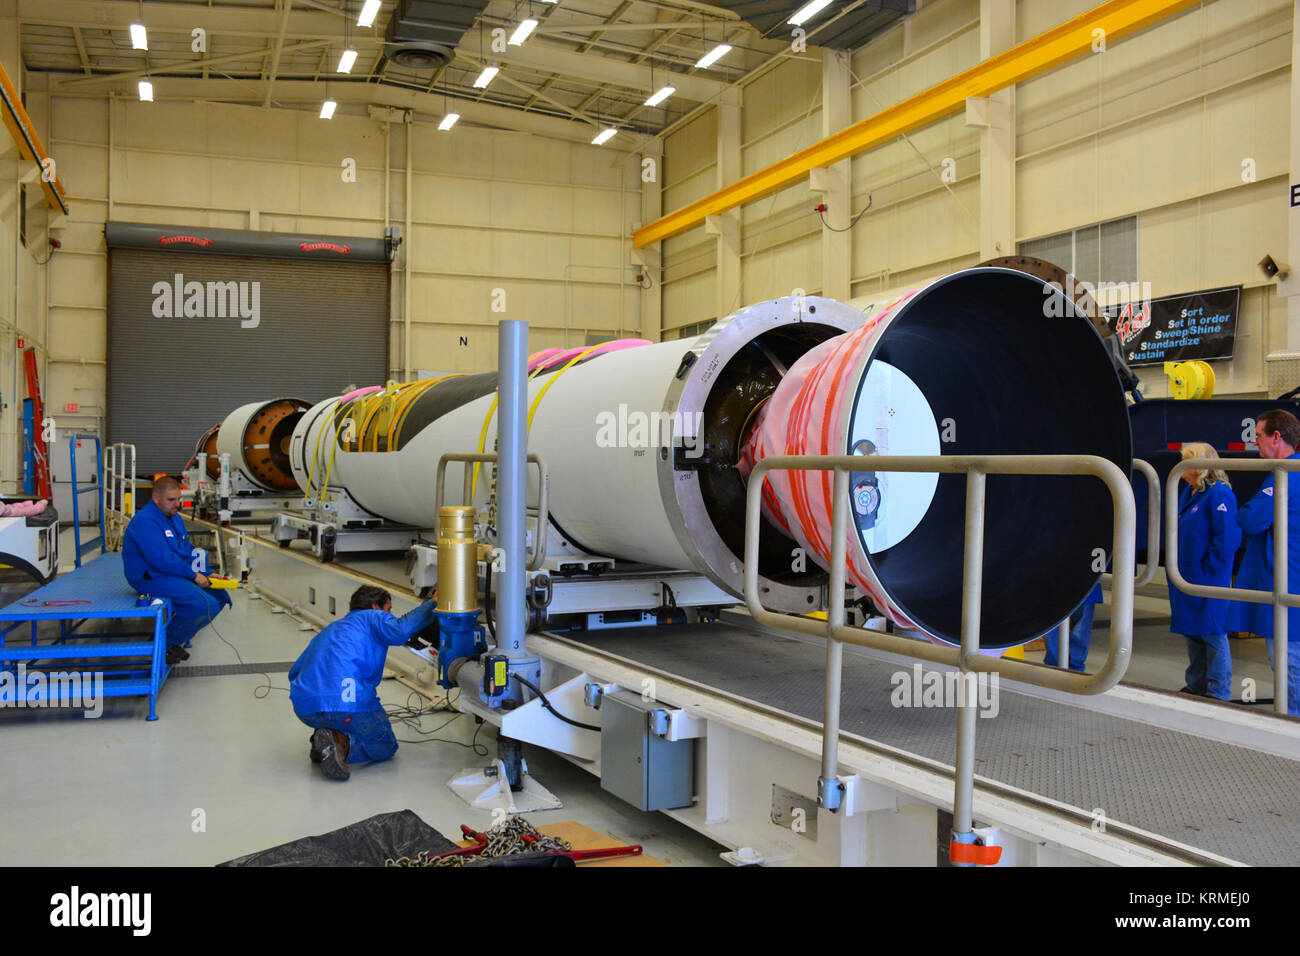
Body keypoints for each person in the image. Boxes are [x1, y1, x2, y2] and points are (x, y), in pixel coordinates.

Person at [289, 585, 437, 781]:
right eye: (389, 610)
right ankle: (340, 743)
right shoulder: (372, 617)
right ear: (376, 607)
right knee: (385, 744)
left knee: (334, 713)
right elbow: (400, 630)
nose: (389, 615)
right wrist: (433, 603)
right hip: (346, 705)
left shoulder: (332, 629)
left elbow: (295, 671)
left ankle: (323, 739)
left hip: (305, 708)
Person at [1228, 410, 1300, 715]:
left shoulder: (1286, 475)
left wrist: (1243, 509)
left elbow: (1253, 520)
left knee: (1290, 663)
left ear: (1277, 437)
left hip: (1287, 583)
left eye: (1259, 435)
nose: (1254, 441)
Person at [122, 475, 231, 667]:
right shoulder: (145, 522)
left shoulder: (174, 518)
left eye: (178, 499)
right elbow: (161, 559)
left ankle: (173, 640)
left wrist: (204, 572)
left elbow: (187, 549)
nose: (177, 504)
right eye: (171, 500)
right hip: (149, 577)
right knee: (205, 604)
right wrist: (193, 576)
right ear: (156, 498)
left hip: (169, 572)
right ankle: (162, 645)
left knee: (220, 596)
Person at [1168, 443, 1239, 700]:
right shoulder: (1189, 492)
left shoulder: (1219, 494)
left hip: (1208, 576)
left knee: (1212, 633)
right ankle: (1196, 685)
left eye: (1186, 461)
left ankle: (1218, 690)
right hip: (1186, 573)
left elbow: (1227, 537)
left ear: (1200, 464)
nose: (1181, 466)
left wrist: (1210, 568)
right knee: (1192, 631)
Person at [1043, 582, 1102, 671]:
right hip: (1053, 581)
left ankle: (1071, 668)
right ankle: (1058, 667)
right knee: (1053, 625)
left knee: (1079, 627)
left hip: (1085, 580)